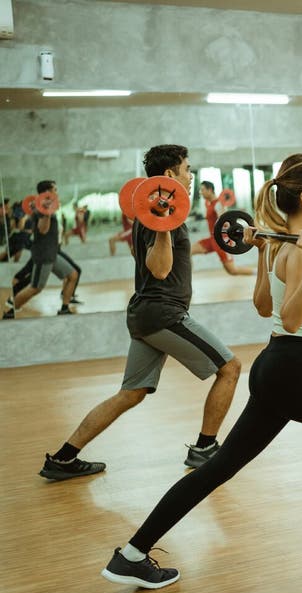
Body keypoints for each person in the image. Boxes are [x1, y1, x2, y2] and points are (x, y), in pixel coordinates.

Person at [100, 153, 302, 588]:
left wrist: (265, 252)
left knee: (218, 468)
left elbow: (263, 307)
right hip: (298, 372)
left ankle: (131, 554)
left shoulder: (282, 244)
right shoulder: (301, 250)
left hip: (276, 369)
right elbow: (292, 319)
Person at [37, 145, 241, 480]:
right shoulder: (159, 218)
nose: (191, 176)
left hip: (147, 313)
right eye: (187, 169)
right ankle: (205, 448)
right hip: (164, 315)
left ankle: (63, 458)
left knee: (131, 393)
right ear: (171, 175)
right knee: (230, 368)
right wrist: (164, 224)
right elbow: (159, 270)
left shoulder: (150, 214)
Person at [2, 181, 79, 318]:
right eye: (55, 189)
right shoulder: (41, 210)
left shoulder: (46, 207)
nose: (57, 192)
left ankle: (64, 308)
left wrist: (49, 210)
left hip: (52, 254)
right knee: (35, 288)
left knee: (73, 275)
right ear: (47, 192)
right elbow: (43, 230)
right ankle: (10, 311)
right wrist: (47, 214)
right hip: (43, 255)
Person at [190, 181, 253, 275]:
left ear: (210, 190)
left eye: (202, 190)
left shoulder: (218, 204)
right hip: (212, 239)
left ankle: (258, 273)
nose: (200, 192)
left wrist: (223, 211)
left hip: (221, 241)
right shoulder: (208, 203)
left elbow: (225, 221)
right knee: (188, 251)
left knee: (232, 270)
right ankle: (186, 283)